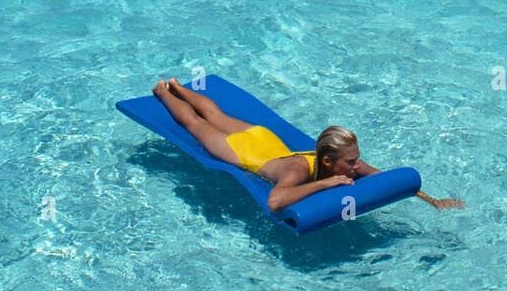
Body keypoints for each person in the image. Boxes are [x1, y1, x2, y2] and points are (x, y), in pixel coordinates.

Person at [151, 78, 464, 214]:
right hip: (244, 151)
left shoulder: (346, 164)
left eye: (356, 159)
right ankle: (165, 92)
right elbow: (275, 201)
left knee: (217, 113)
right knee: (195, 123)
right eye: (350, 162)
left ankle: (179, 85)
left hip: (266, 140)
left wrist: (433, 201)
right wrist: (325, 184)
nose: (357, 166)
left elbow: (388, 179)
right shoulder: (299, 168)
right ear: (327, 161)